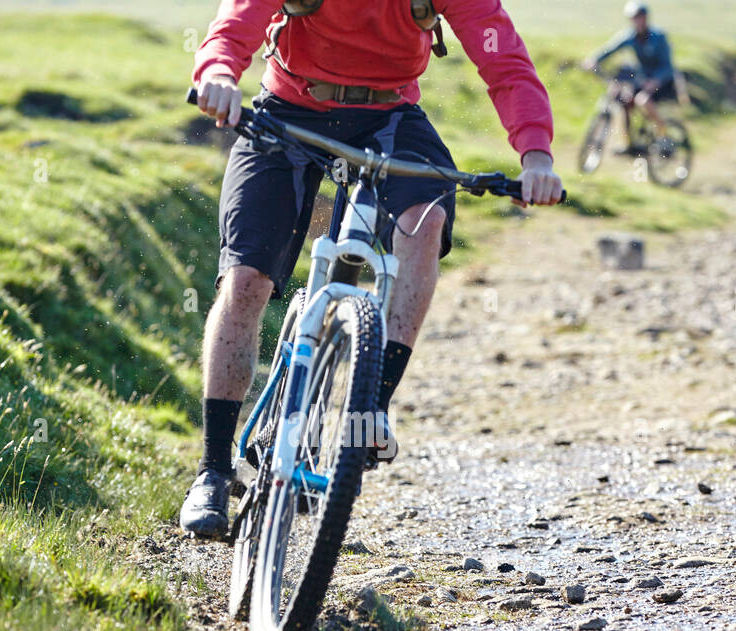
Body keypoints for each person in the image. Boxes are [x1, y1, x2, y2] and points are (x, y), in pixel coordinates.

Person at [181, 0, 565, 538]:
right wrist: (219, 70)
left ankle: (372, 406)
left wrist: (536, 155)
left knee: (424, 223)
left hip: (389, 119)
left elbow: (504, 63)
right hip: (288, 107)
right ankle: (214, 472)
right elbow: (238, 21)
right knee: (246, 281)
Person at [582, 2, 677, 152]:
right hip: (644, 80)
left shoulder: (659, 37)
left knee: (643, 100)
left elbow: (667, 66)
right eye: (634, 18)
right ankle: (628, 143)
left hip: (663, 81)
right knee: (624, 102)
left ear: (646, 18)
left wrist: (655, 81)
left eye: (640, 17)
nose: (638, 21)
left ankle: (664, 135)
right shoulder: (629, 36)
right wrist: (593, 60)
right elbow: (610, 49)